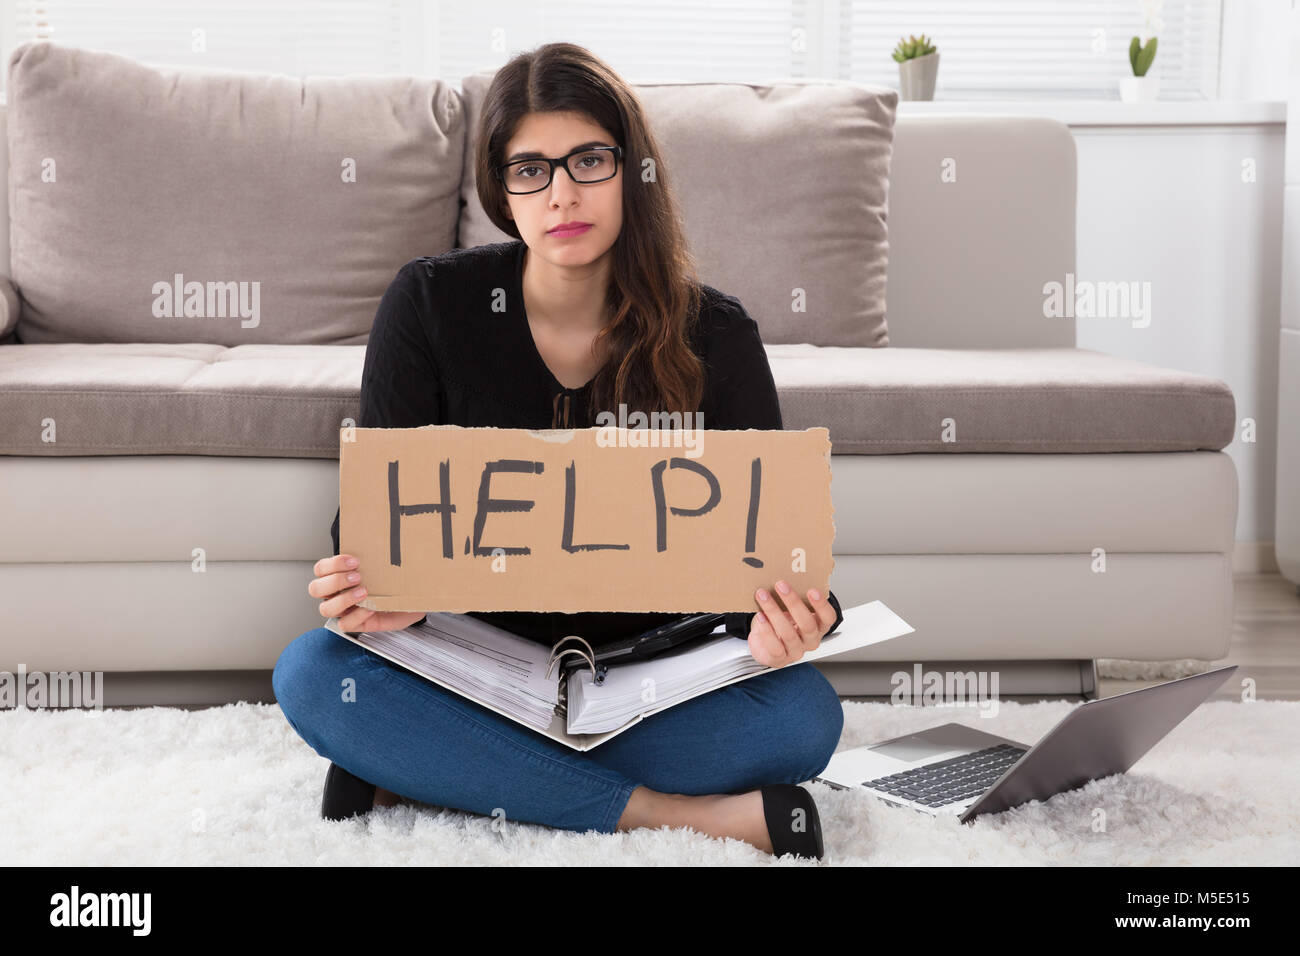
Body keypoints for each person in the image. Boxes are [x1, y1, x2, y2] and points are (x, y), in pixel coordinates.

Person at [272, 42, 845, 859]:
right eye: (529, 169)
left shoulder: (716, 333)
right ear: (501, 189)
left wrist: (786, 625)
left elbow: (773, 559)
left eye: (588, 160)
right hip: (474, 673)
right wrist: (372, 593)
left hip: (647, 682)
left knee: (804, 716)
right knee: (314, 675)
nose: (562, 194)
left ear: (631, 169)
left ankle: (434, 773)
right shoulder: (430, 305)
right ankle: (667, 814)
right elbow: (368, 534)